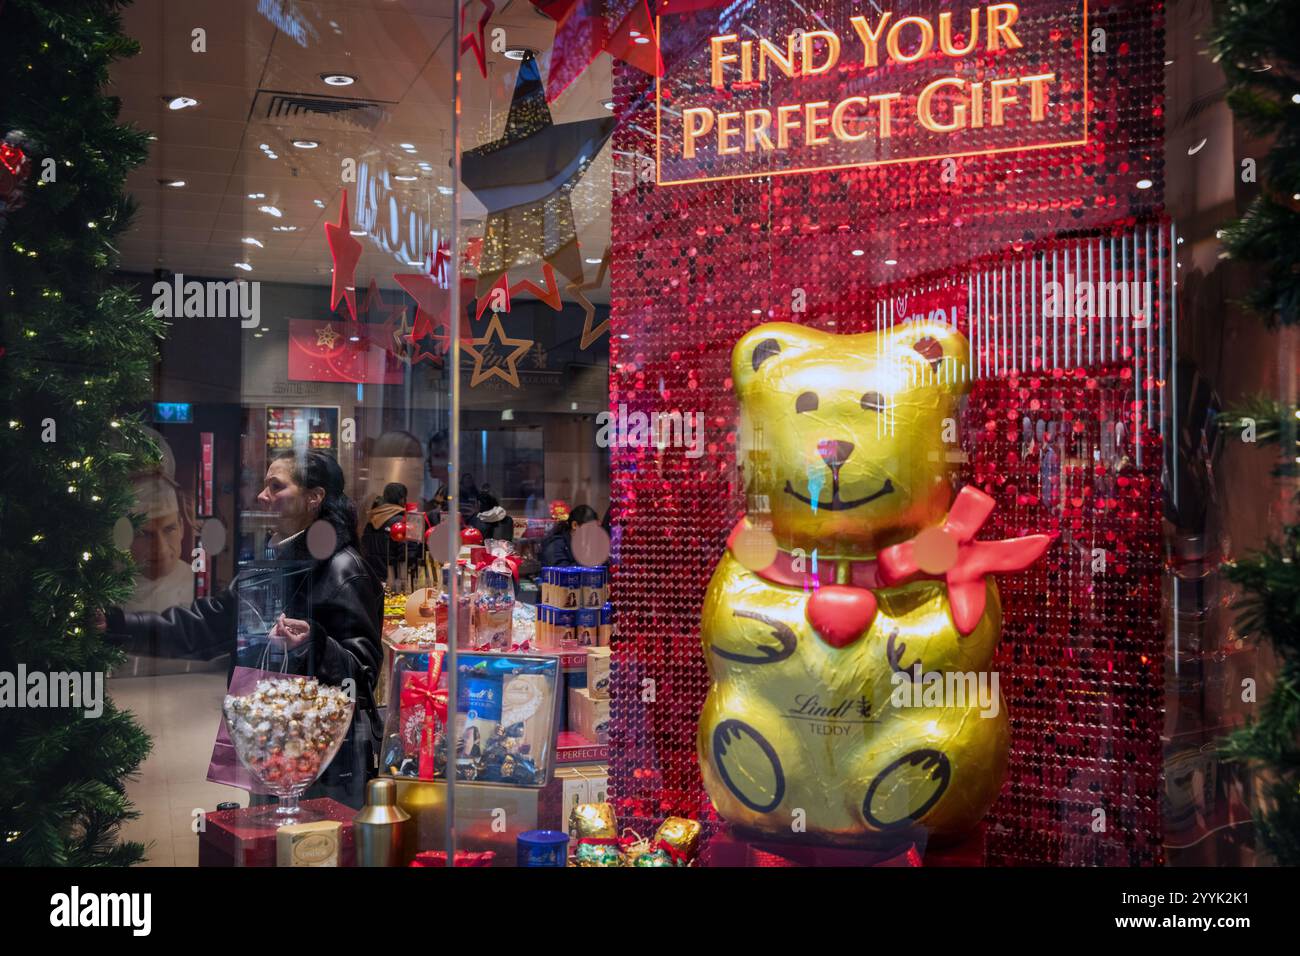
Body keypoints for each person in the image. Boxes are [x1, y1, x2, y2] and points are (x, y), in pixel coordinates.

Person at [101, 450, 383, 808]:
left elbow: (363, 674)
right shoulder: (274, 562)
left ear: (314, 498)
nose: (262, 496)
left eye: (275, 486)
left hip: (325, 761)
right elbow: (205, 627)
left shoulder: (345, 570)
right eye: (264, 486)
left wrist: (314, 644)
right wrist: (117, 624)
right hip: (272, 746)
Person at [124, 472, 195, 614]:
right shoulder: (108, 587)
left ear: (181, 527)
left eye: (169, 529)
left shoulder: (196, 585)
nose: (161, 548)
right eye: (145, 534)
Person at [361, 482, 419, 585]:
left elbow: (363, 549)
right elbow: (408, 555)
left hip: (371, 580)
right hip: (392, 582)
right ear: (402, 499)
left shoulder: (371, 520)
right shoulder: (402, 522)